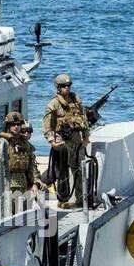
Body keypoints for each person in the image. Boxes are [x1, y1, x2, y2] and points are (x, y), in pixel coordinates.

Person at [42, 72, 91, 210]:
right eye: (63, 86)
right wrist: (52, 141)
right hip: (62, 140)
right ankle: (62, 199)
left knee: (80, 169)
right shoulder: (54, 104)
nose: (67, 88)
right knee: (63, 170)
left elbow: (84, 119)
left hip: (77, 139)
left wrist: (86, 137)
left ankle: (81, 199)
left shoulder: (76, 101)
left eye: (68, 85)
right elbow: (46, 125)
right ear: (58, 87)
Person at [0, 110, 44, 201]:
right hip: (9, 184)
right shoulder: (2, 143)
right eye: (13, 124)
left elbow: (32, 166)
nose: (16, 127)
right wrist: (4, 185)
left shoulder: (25, 144)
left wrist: (35, 183)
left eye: (18, 124)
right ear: (8, 126)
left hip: (24, 184)